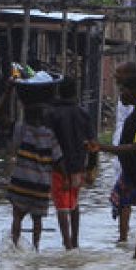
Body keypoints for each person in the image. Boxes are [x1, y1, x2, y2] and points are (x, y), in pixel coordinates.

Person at [96, 71, 136, 245]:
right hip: (131, 170)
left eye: (123, 90)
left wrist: (102, 147)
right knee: (124, 201)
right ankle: (123, 240)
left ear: (134, 91)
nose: (120, 94)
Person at [43, 78, 94, 249]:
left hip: (59, 167)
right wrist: (90, 168)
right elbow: (93, 143)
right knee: (74, 202)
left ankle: (67, 244)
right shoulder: (83, 113)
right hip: (78, 166)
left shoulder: (52, 114)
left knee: (62, 206)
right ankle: (75, 241)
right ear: (75, 92)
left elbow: (49, 142)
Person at [7, 100, 57, 249]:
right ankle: (36, 247)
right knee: (37, 219)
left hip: (21, 182)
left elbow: (13, 148)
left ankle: (14, 245)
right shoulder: (50, 135)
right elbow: (57, 158)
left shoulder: (21, 129)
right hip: (41, 185)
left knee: (17, 216)